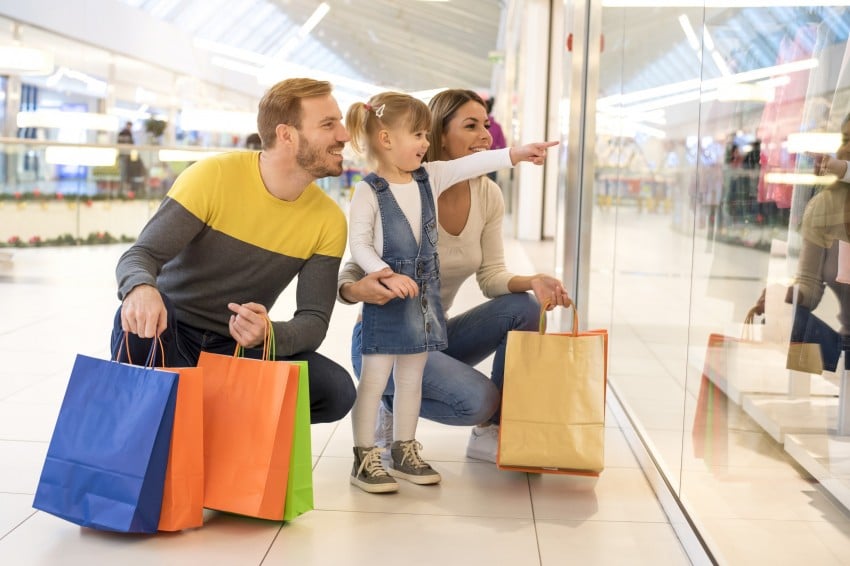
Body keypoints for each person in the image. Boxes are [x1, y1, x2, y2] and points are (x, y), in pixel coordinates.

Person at [339, 89, 569, 476]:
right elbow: (353, 259)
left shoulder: (485, 193)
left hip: (432, 330)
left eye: (486, 125)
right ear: (439, 134)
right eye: (471, 126)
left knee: (523, 308)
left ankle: (491, 433)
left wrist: (533, 280)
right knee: (476, 399)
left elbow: (492, 277)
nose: (486, 135)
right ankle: (385, 413)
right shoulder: (387, 189)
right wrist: (363, 285)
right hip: (381, 333)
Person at [112, 77, 356, 424]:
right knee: (145, 315)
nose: (344, 135)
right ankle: (206, 418)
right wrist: (141, 288)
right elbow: (141, 255)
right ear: (287, 135)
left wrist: (268, 334)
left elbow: (313, 321)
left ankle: (201, 417)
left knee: (335, 391)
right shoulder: (213, 177)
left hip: (238, 349)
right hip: (170, 336)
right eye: (329, 124)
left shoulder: (329, 220)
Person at [485, 97, 506, 181]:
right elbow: (502, 145)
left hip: (477, 159)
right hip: (492, 161)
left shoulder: (474, 126)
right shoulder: (497, 126)